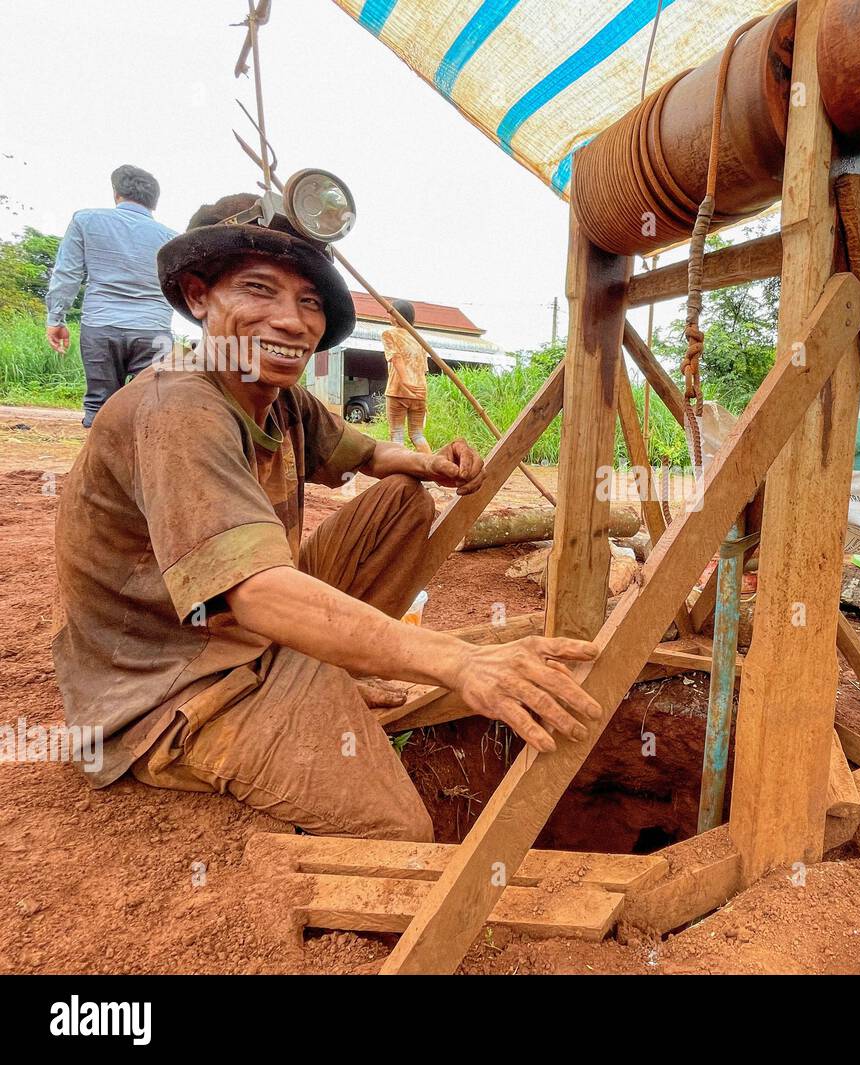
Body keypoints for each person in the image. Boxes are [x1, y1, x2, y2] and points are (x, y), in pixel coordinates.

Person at [52, 191, 601, 842]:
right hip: (176, 687)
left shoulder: (279, 398)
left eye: (309, 301)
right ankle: (289, 697)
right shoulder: (178, 409)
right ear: (198, 296)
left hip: (250, 637)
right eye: (260, 289)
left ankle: (334, 666)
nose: (291, 321)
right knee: (396, 829)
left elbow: (365, 451)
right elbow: (255, 594)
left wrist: (430, 463)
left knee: (403, 499)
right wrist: (456, 662)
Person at [45, 165, 178, 427]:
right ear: (154, 202)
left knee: (100, 404)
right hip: (154, 331)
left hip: (101, 327)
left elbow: (67, 274)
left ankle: (100, 468)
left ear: (116, 193)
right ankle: (145, 467)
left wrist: (56, 319)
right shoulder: (171, 239)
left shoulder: (86, 220)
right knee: (152, 405)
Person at [382, 298, 431, 452]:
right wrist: (418, 391)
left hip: (399, 391)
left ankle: (400, 473)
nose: (388, 316)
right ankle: (432, 470)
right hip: (420, 393)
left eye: (390, 313)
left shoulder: (389, 334)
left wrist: (406, 382)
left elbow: (396, 358)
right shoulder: (418, 338)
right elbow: (423, 369)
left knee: (397, 435)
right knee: (417, 434)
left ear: (397, 315)